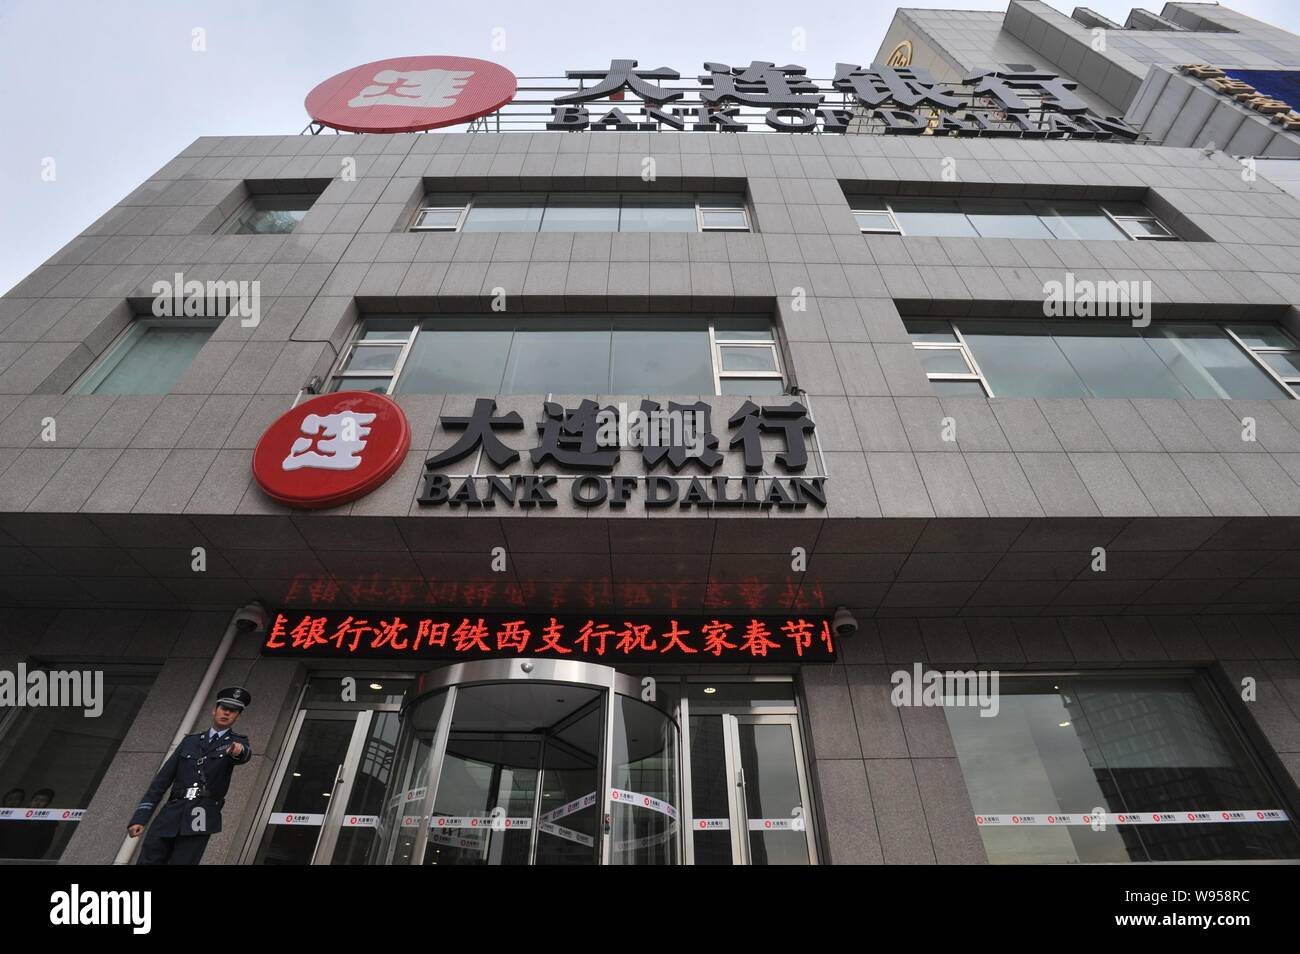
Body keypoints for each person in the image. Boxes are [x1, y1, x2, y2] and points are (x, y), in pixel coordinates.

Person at [127, 687, 253, 865]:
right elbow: (161, 782)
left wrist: (237, 752)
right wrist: (140, 818)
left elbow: (243, 755)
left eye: (232, 711)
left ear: (237, 717)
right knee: (149, 858)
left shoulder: (237, 742)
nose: (226, 713)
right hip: (172, 811)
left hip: (200, 814)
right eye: (223, 708)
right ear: (214, 710)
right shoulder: (191, 741)